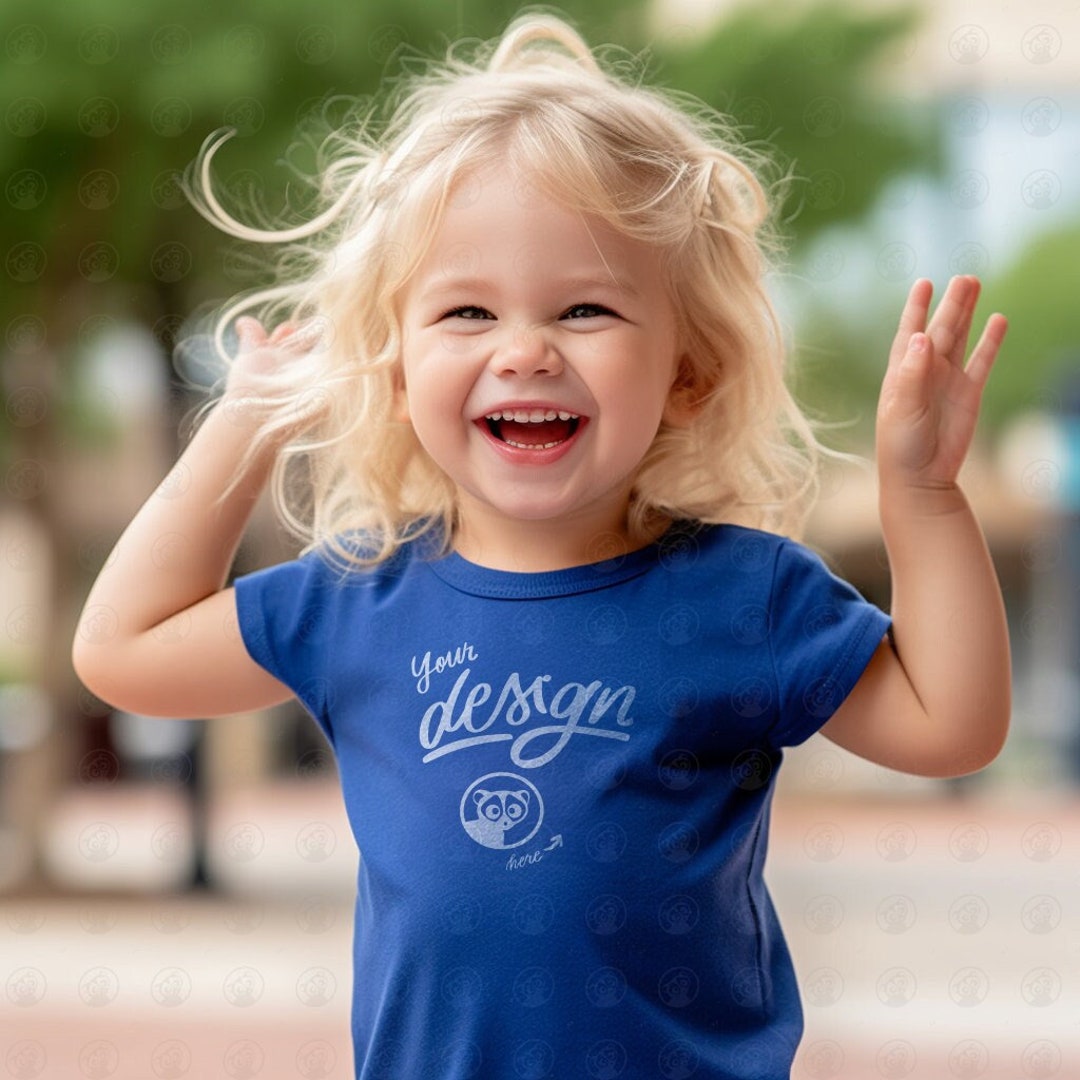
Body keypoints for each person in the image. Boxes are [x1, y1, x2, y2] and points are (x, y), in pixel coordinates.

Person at [72, 10, 1011, 1079]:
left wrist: (924, 497)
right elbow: (122, 650)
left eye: (584, 310)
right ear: (394, 368)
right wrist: (247, 419)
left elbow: (954, 727)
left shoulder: (743, 597)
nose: (525, 351)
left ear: (687, 372)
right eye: (466, 312)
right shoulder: (356, 602)